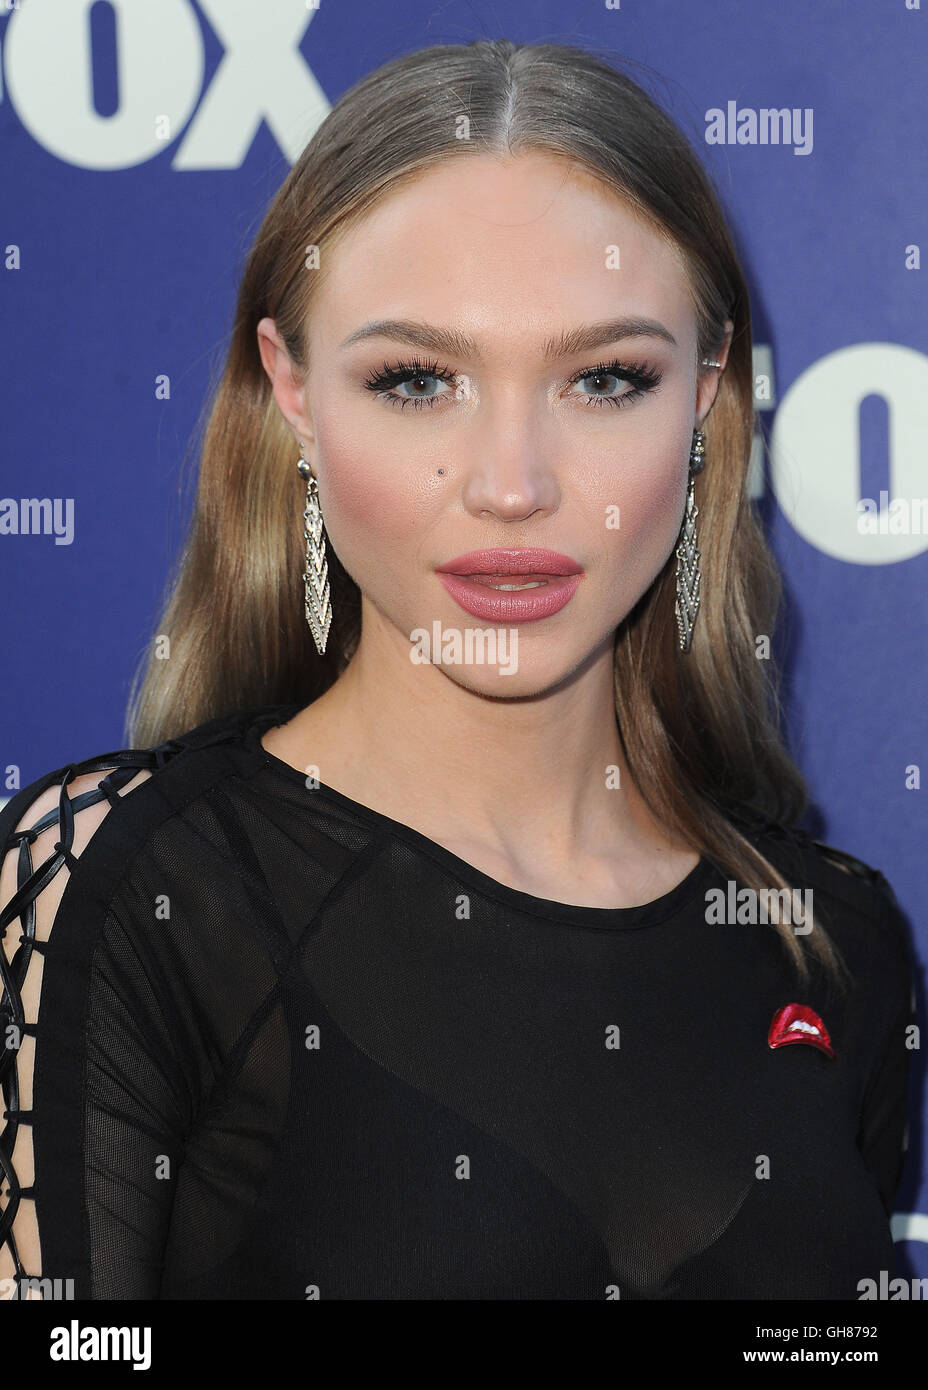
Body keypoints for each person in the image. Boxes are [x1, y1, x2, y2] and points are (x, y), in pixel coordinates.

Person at [0, 38, 914, 1301]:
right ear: (294, 396)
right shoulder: (132, 892)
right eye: (417, 381)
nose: (511, 484)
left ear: (705, 402)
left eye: (605, 378)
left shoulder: (832, 940)